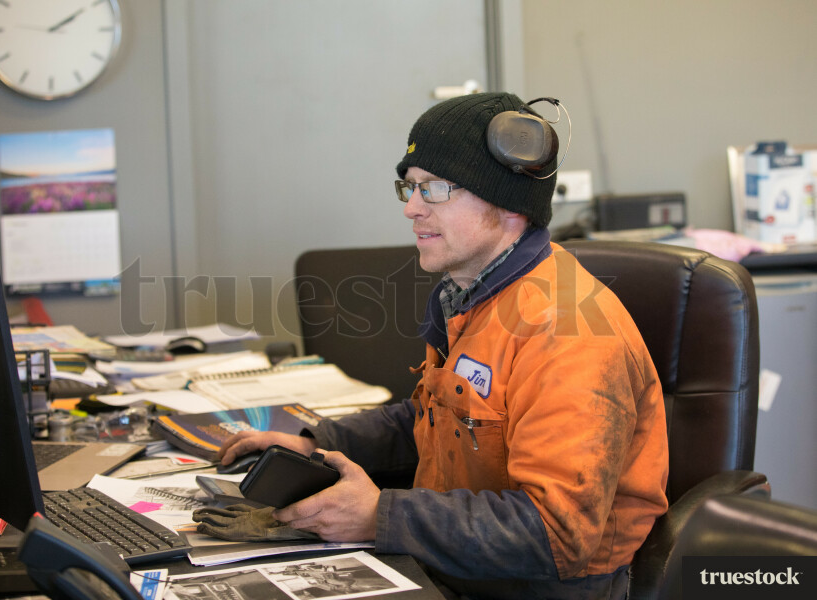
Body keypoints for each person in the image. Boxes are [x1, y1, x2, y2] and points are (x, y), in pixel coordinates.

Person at [217, 92, 669, 599]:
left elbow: (558, 534)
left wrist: (379, 516)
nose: (411, 209)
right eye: (408, 188)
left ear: (507, 203)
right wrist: (315, 444)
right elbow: (436, 422)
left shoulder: (568, 333)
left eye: (432, 189)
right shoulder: (471, 296)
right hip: (453, 565)